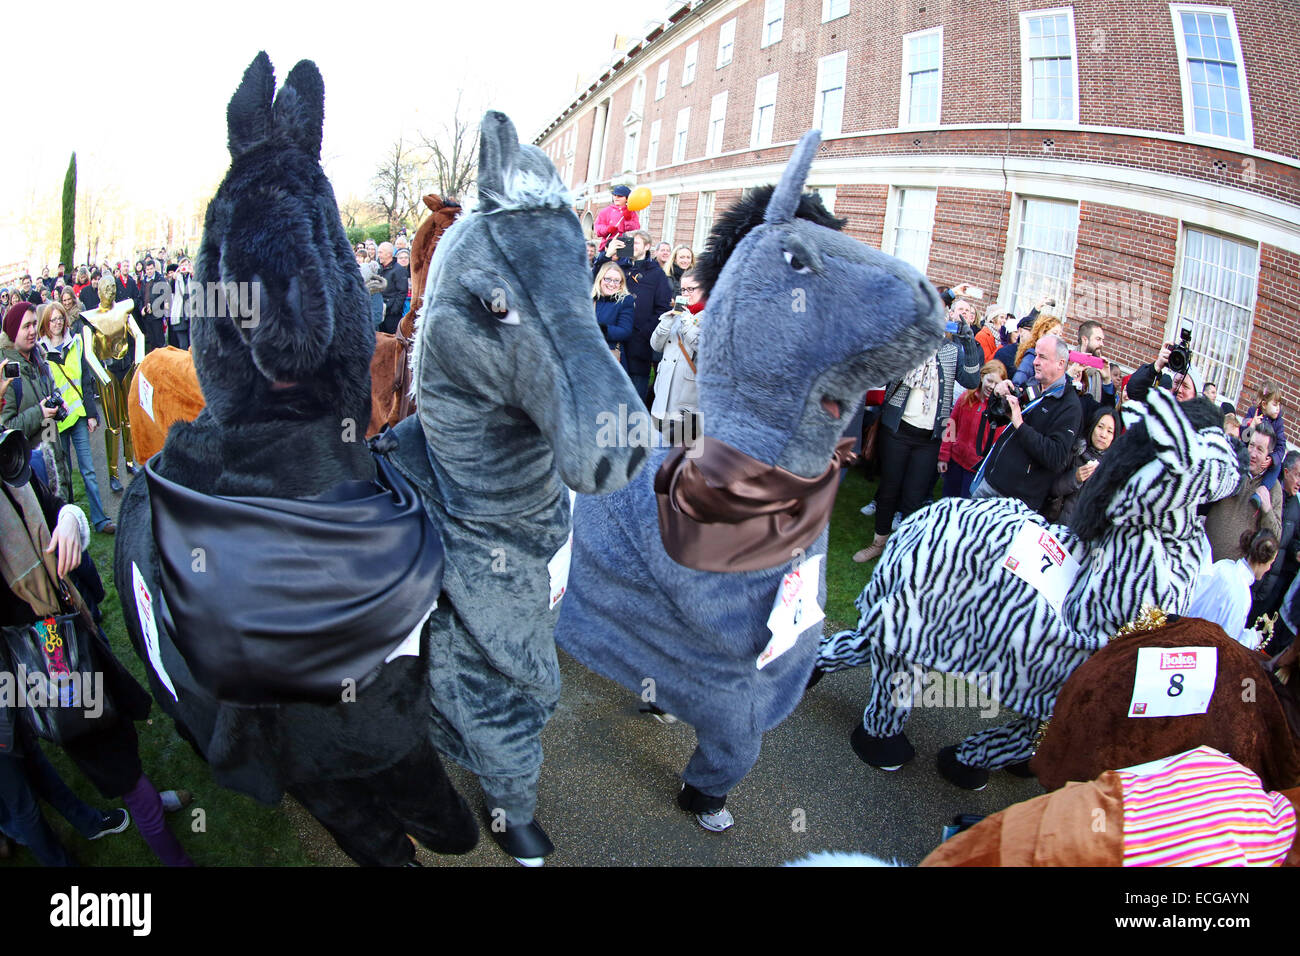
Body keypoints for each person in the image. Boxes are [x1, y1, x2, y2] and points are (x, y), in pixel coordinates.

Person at [0, 418, 193, 866]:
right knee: (108, 754)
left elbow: (61, 507)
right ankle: (170, 849)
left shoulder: (13, 473)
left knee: (118, 728)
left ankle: (146, 797)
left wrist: (69, 522)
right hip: (45, 659)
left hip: (76, 626)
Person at [853, 312, 982, 562]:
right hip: (897, 431)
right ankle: (878, 543)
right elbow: (882, 377)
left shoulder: (951, 351)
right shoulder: (908, 345)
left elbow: (972, 380)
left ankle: (901, 551)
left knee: (915, 495)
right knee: (889, 489)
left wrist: (968, 342)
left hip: (929, 438)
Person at [971, 334, 1083, 511]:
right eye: (1036, 355)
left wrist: (1020, 424)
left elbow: (1055, 457)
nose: (1034, 362)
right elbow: (997, 419)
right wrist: (998, 396)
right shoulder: (1034, 386)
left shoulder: (1069, 406)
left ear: (1061, 363)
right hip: (990, 482)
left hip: (1015, 502)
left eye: (1042, 357)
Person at [38, 304, 114, 534]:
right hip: (54, 421)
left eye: (60, 318)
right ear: (45, 323)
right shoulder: (39, 351)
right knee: (63, 474)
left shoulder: (77, 342)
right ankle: (69, 523)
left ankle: (100, 520)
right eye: (52, 320)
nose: (57, 323)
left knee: (88, 470)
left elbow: (85, 379)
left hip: (78, 415)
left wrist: (92, 414)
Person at [0, 303, 72, 496]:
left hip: (55, 453)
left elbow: (50, 389)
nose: (32, 331)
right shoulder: (6, 374)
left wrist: (57, 400)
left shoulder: (38, 357)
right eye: (26, 326)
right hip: (32, 474)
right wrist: (39, 413)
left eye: (34, 324)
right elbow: (6, 429)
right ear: (13, 330)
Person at [596, 231, 672, 405]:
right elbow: (596, 278)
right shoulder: (619, 267)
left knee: (634, 399)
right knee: (608, 397)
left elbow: (662, 308)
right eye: (630, 242)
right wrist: (607, 254)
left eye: (636, 243)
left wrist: (643, 334)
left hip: (639, 345)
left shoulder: (656, 273)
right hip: (614, 343)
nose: (632, 245)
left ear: (647, 247)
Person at [1185, 530, 1278, 647]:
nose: (1269, 568)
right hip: (1198, 648)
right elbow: (1228, 643)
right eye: (1271, 563)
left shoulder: (1223, 566)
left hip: (1184, 630)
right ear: (1262, 560)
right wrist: (1253, 639)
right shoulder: (1242, 595)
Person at [1206, 425, 1285, 562]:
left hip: (1230, 572)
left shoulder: (1274, 488)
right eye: (1252, 445)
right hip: (1202, 555)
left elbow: (1275, 537)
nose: (1253, 453)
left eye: (1260, 450)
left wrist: (1267, 510)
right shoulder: (1232, 467)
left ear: (1269, 456)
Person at [650, 268, 705, 443]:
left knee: (680, 451)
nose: (686, 294)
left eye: (691, 289)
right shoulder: (677, 314)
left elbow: (701, 345)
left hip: (686, 397)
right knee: (657, 447)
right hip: (663, 393)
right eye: (683, 290)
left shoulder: (710, 315)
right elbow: (656, 346)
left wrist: (686, 320)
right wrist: (666, 321)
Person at [939, 359, 1007, 498]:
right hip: (955, 462)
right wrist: (944, 456)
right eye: (990, 381)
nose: (992, 387)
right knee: (947, 502)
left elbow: (996, 445)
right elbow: (951, 425)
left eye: (997, 384)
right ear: (982, 377)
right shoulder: (966, 397)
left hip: (976, 470)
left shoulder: (999, 412)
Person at [1043, 406, 1119, 524]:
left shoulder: (1113, 469)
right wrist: (1075, 478)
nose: (1103, 435)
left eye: (1109, 431)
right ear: (1093, 426)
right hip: (1057, 526)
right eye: (1100, 427)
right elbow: (1052, 488)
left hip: (1084, 534)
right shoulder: (1074, 451)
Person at [1250, 451, 1300, 623]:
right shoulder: (1268, 490)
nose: (1299, 483)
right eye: (1298, 475)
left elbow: (1294, 540)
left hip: (1269, 587)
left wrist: (1296, 551)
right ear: (1286, 472)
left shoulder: (1296, 506)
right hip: (1252, 573)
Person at [1242, 384, 1287, 510]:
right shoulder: (1252, 413)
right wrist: (1251, 426)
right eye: (1275, 404)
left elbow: (1281, 446)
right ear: (1264, 404)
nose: (1278, 409)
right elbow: (1244, 438)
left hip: (1266, 455)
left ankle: (1262, 490)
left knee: (1277, 466)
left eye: (1279, 405)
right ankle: (1238, 478)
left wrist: (1272, 459)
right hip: (1249, 450)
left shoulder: (1278, 422)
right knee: (1239, 447)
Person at [591, 262, 634, 371]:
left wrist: (599, 329)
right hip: (588, 355)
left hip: (610, 357)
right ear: (600, 279)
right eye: (608, 279)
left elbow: (625, 331)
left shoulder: (625, 300)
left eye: (616, 281)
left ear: (621, 283)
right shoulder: (590, 299)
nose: (611, 284)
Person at [1009, 311, 1062, 387]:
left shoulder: (1053, 358)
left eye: (1060, 335)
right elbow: (1017, 383)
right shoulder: (1032, 356)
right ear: (1042, 333)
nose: (1058, 338)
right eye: (1054, 333)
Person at [594, 184, 640, 252]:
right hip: (608, 244)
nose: (616, 197)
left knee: (624, 262)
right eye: (614, 195)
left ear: (627, 198)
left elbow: (636, 230)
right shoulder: (605, 211)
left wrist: (628, 220)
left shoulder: (631, 212)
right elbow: (597, 229)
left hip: (625, 244)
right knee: (604, 261)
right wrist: (607, 229)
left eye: (620, 196)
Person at [376, 242, 408, 335]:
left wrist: (394, 310)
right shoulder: (379, 268)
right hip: (381, 311)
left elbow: (402, 292)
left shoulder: (399, 270)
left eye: (381, 252)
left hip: (392, 315)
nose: (379, 255)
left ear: (389, 254)